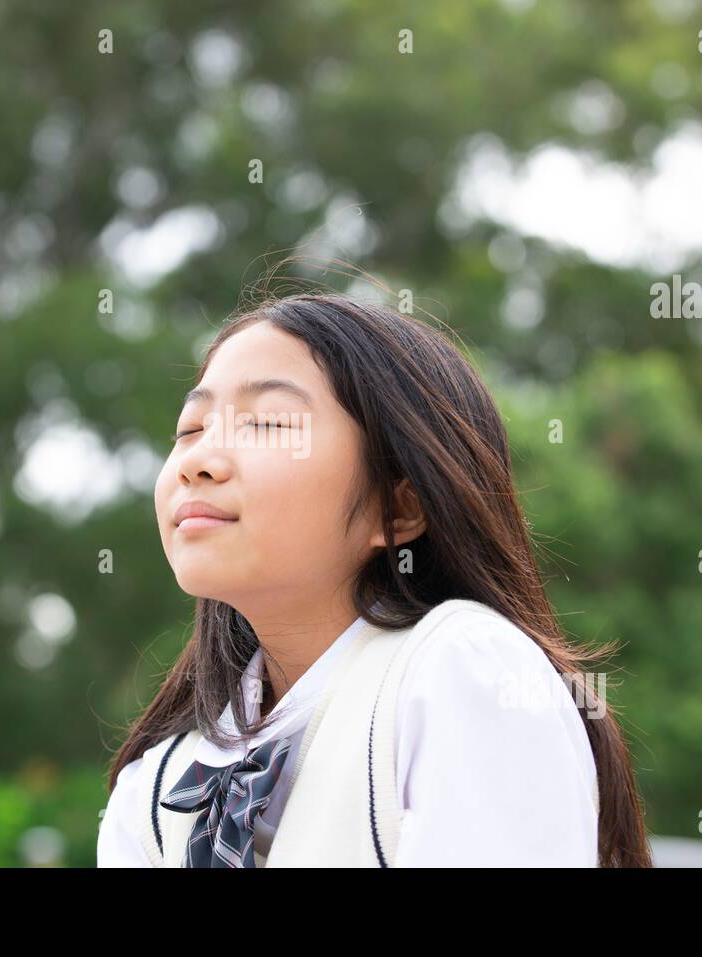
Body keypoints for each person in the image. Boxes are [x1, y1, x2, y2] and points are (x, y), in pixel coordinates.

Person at [97, 291, 652, 867]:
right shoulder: (152, 790)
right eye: (189, 429)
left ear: (400, 505)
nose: (197, 460)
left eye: (266, 422)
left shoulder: (463, 672)